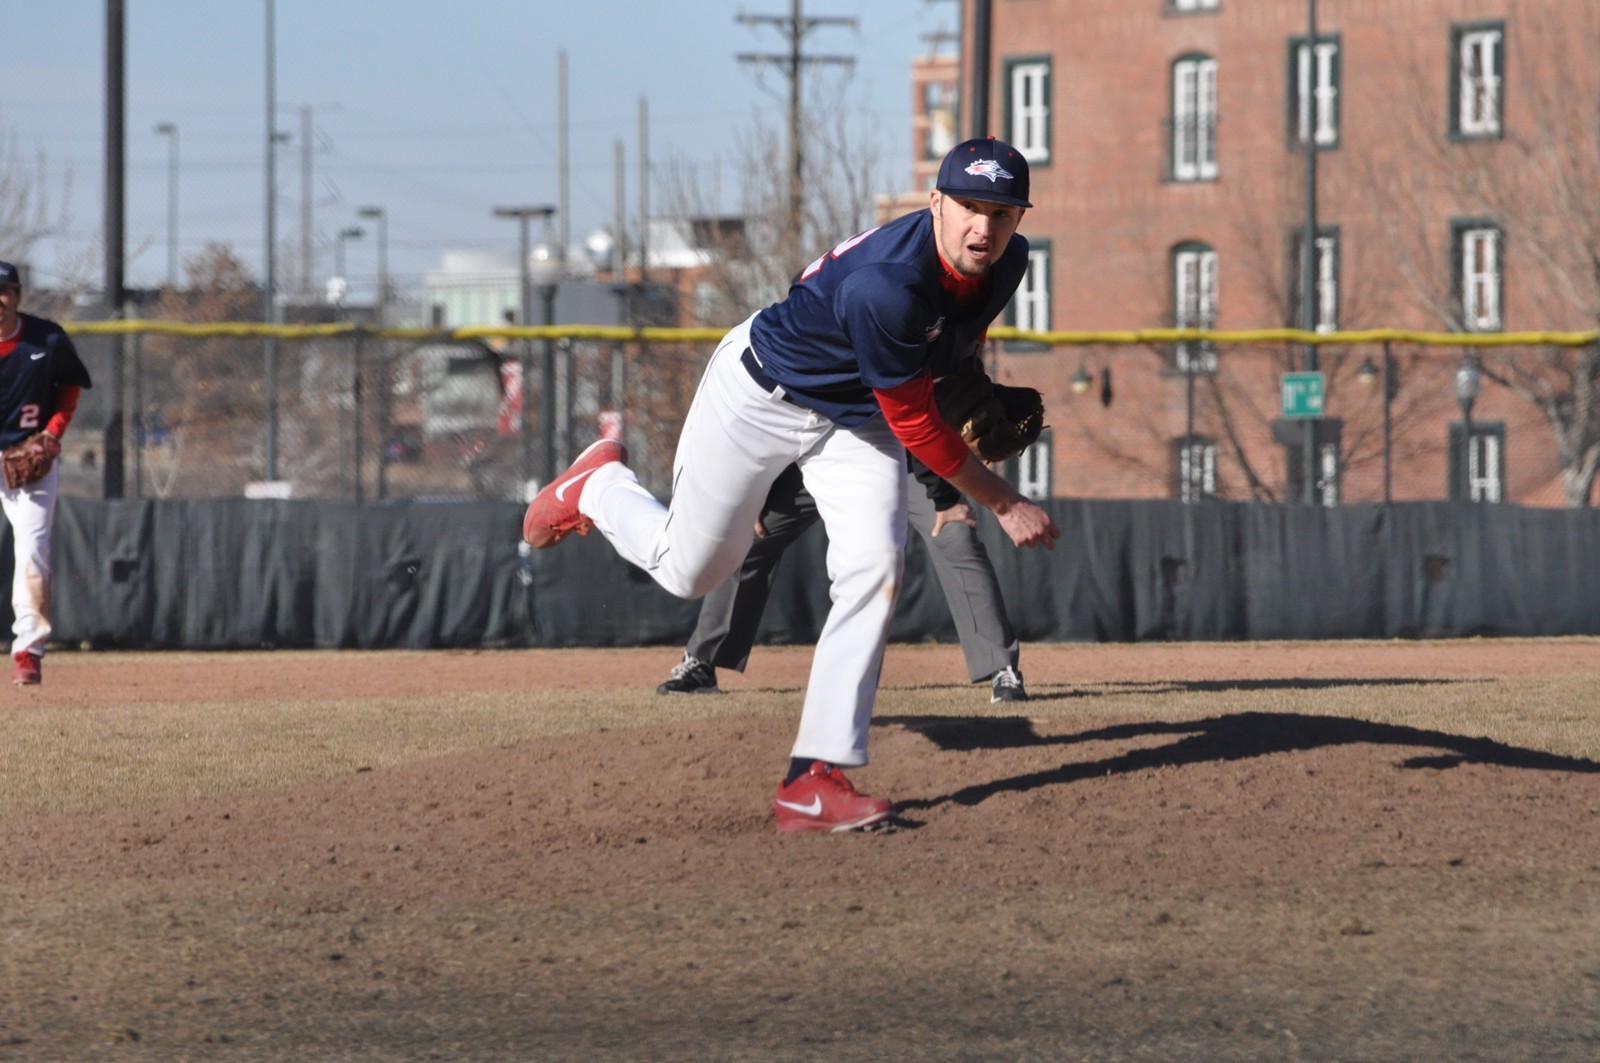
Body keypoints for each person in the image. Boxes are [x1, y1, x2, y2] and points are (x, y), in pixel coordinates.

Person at [523, 137, 1059, 833]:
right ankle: (598, 485)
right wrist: (1003, 500)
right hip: (760, 397)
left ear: (1019, 220)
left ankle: (812, 778)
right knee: (690, 570)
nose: (983, 227)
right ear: (935, 203)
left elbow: (949, 348)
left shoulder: (1006, 263)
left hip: (855, 419)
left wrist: (966, 385)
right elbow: (916, 424)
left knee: (874, 567)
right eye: (968, 206)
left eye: (1001, 212)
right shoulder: (886, 286)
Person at [656, 457, 1029, 703]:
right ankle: (702, 662)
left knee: (954, 535)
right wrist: (755, 489)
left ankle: (1001, 668)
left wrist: (943, 496)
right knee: (750, 536)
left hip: (901, 460)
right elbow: (768, 423)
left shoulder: (910, 353)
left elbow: (915, 411)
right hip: (817, 457)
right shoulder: (799, 356)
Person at [0, 261, 93, 686]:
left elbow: (70, 387)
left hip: (29, 456)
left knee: (33, 548)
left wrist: (53, 433)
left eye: (5, 291)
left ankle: (28, 650)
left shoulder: (47, 339)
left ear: (18, 296)